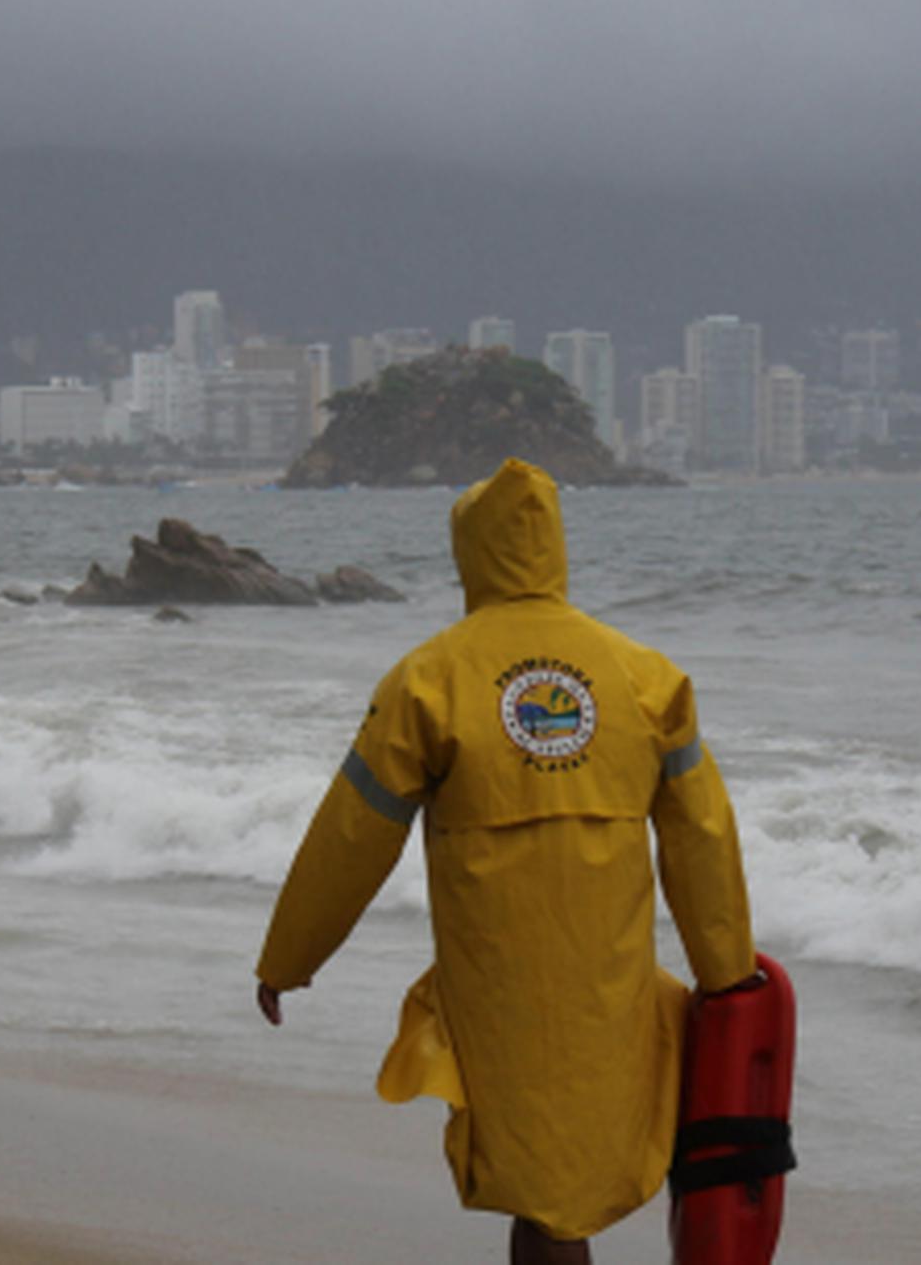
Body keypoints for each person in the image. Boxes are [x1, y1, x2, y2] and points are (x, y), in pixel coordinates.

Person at [255, 458, 758, 1264]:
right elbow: (702, 832)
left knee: (541, 1191)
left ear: (471, 552)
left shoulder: (428, 680)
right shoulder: (646, 677)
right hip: (609, 981)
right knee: (561, 1192)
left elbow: (353, 836)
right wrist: (727, 976)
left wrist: (289, 959)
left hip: (499, 987)